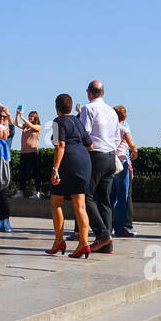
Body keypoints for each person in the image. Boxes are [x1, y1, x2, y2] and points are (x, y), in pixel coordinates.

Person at [46, 94, 92, 258]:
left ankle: (59, 241)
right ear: (71, 107)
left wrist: (55, 169)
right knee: (80, 206)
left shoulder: (58, 122)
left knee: (56, 203)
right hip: (84, 161)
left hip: (68, 162)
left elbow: (60, 145)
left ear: (56, 106)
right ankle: (84, 243)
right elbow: (90, 144)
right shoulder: (77, 121)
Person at [78, 80, 119, 254]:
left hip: (96, 156)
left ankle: (102, 235)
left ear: (90, 92)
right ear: (102, 92)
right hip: (110, 156)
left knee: (86, 197)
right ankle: (107, 243)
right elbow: (117, 137)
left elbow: (84, 134)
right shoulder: (112, 111)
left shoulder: (88, 109)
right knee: (104, 200)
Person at [111, 105, 139, 238]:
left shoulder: (109, 129)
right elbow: (132, 145)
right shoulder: (123, 129)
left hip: (110, 163)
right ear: (125, 116)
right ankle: (119, 227)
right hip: (121, 164)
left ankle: (108, 225)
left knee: (111, 197)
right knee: (122, 197)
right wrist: (135, 152)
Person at [13, 108, 42, 198]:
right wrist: (17, 115)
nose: (30, 118)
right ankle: (21, 191)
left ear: (36, 118)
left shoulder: (38, 127)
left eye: (32, 117)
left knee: (35, 172)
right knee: (22, 173)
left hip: (33, 152)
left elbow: (31, 125)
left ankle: (37, 192)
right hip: (24, 152)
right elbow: (17, 124)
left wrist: (22, 116)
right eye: (29, 116)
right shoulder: (25, 126)